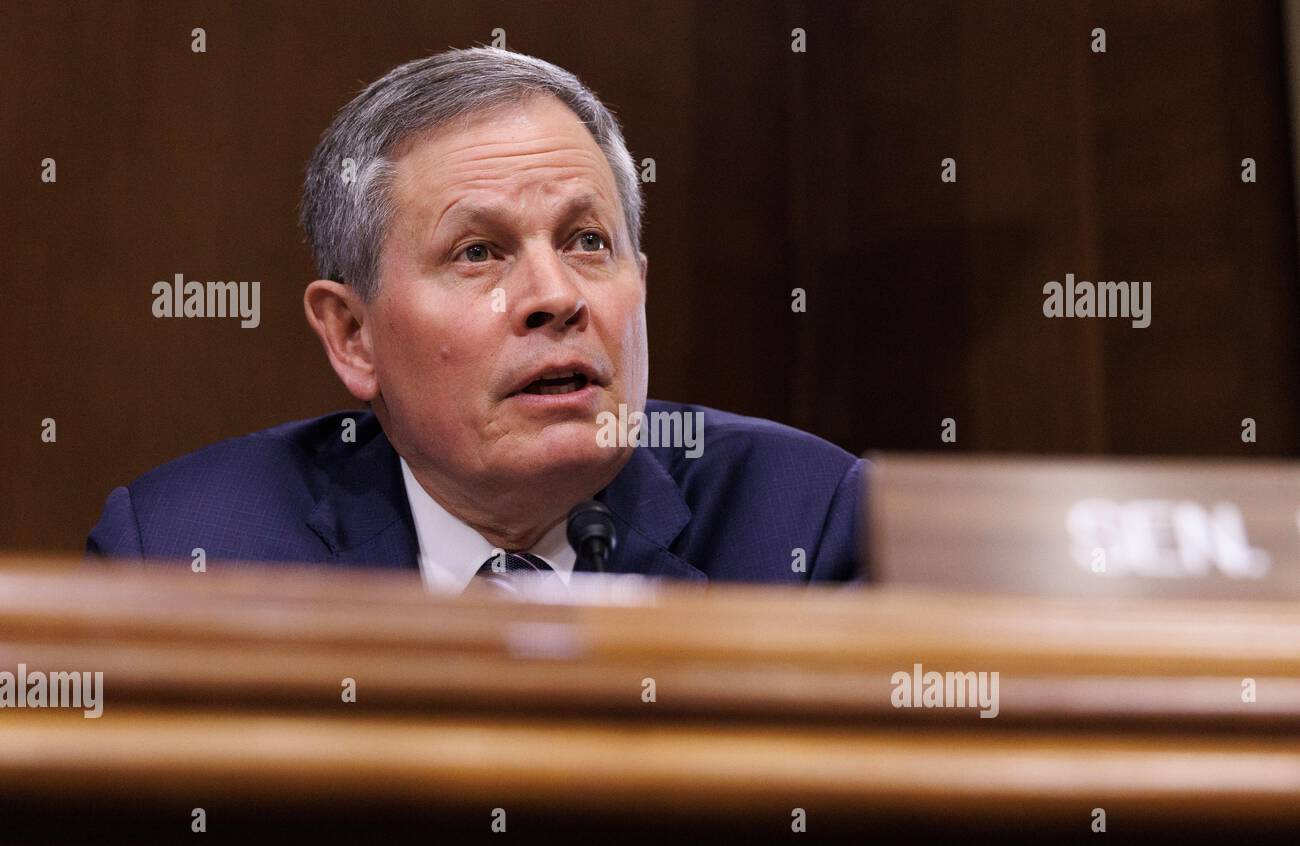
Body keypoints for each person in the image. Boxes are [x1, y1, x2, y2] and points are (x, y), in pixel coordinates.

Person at [87, 46, 864, 588]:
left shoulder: (805, 523)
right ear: (353, 336)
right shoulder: (187, 548)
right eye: (478, 253)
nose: (556, 296)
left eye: (589, 242)